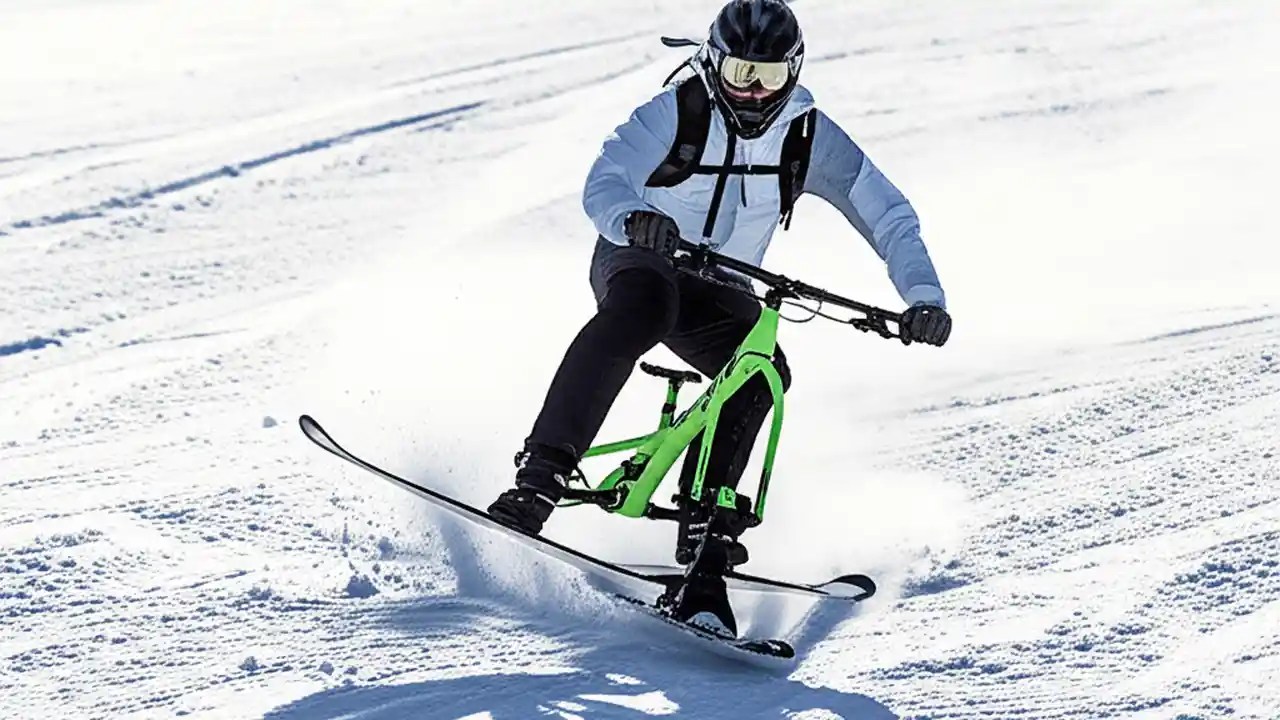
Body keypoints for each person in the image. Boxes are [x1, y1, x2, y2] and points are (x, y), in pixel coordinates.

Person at [486, 0, 950, 629]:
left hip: (723, 285)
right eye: (737, 72)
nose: (753, 93)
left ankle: (707, 533)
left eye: (769, 78)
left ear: (794, 71)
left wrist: (924, 298)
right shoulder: (676, 111)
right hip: (641, 255)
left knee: (762, 371)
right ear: (710, 62)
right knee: (641, 311)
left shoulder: (809, 135)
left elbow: (886, 213)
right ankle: (541, 475)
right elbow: (605, 178)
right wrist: (634, 219)